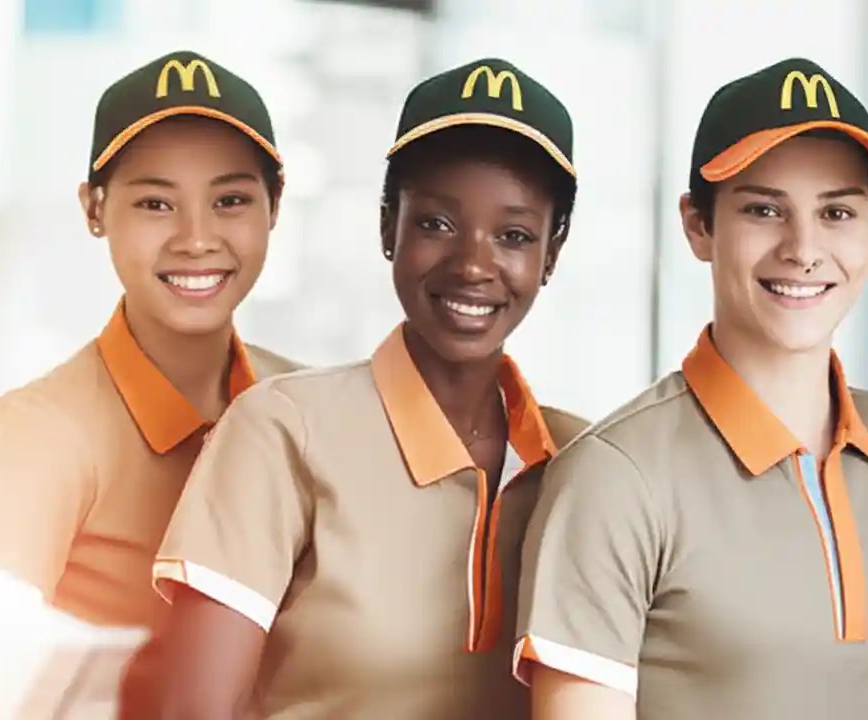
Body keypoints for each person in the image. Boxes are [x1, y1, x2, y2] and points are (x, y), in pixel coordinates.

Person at [514, 58, 868, 720]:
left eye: (836, 212)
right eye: (763, 210)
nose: (803, 249)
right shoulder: (616, 478)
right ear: (698, 225)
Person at [138, 57, 586, 719]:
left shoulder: (585, 464)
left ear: (551, 254)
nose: (473, 264)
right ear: (387, 227)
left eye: (514, 235)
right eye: (436, 223)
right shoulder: (283, 430)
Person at [0, 50, 298, 716]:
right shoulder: (42, 435)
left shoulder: (300, 409)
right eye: (155, 203)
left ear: (274, 206)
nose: (196, 239)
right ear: (94, 209)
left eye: (229, 201)